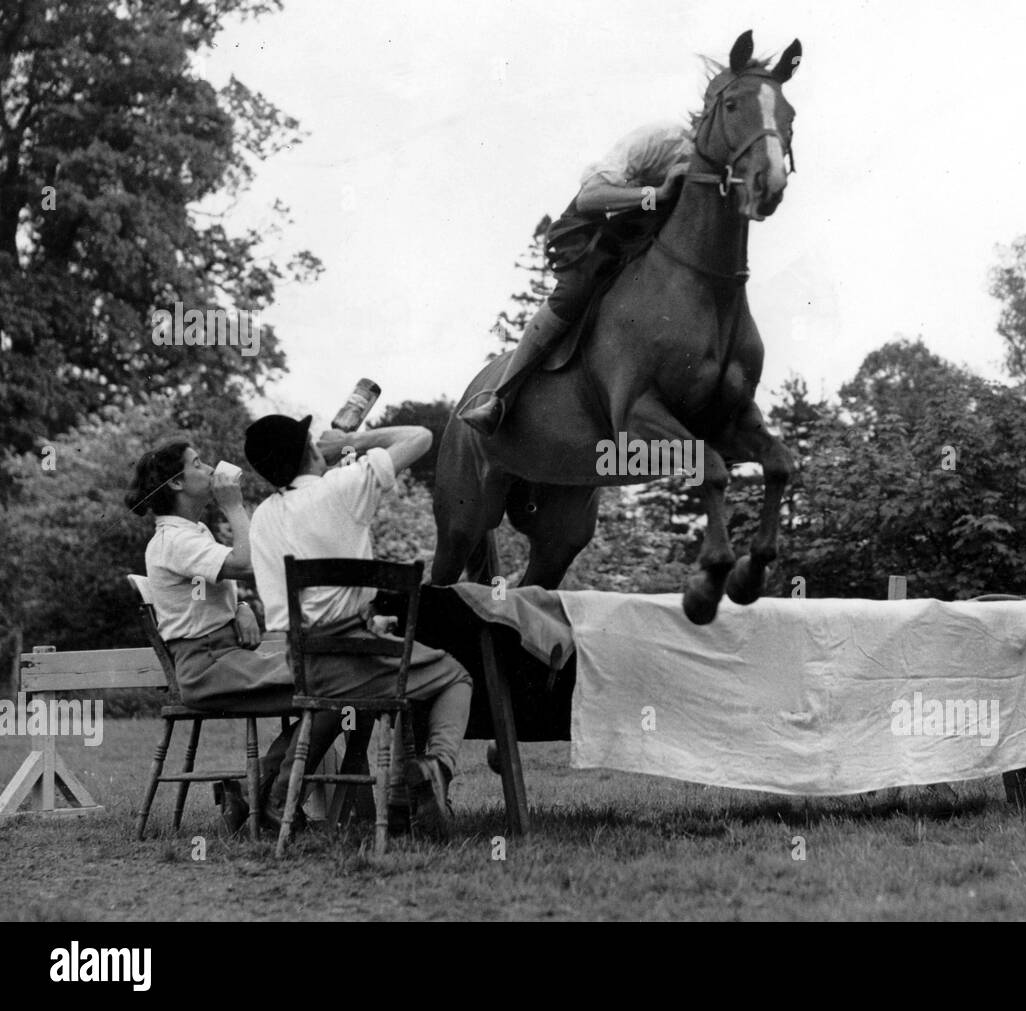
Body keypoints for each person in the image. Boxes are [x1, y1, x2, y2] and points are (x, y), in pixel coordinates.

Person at [244, 414, 473, 837]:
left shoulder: (261, 516)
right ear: (311, 450)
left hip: (303, 661)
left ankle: (267, 796)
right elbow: (420, 436)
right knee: (455, 676)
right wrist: (352, 441)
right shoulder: (344, 486)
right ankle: (435, 767)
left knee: (334, 704)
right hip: (352, 654)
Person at [457, 120, 694, 435]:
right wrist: (658, 194)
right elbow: (590, 197)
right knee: (575, 291)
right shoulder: (660, 139)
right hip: (592, 232)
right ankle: (500, 398)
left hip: (640, 242)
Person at [124, 442, 296, 831]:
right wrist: (234, 506)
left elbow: (212, 582)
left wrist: (240, 608)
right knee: (328, 686)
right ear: (177, 483)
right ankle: (263, 795)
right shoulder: (174, 540)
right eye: (198, 463)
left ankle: (257, 792)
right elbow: (248, 564)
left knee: (327, 682)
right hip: (207, 668)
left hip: (221, 658)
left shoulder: (191, 533)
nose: (209, 467)